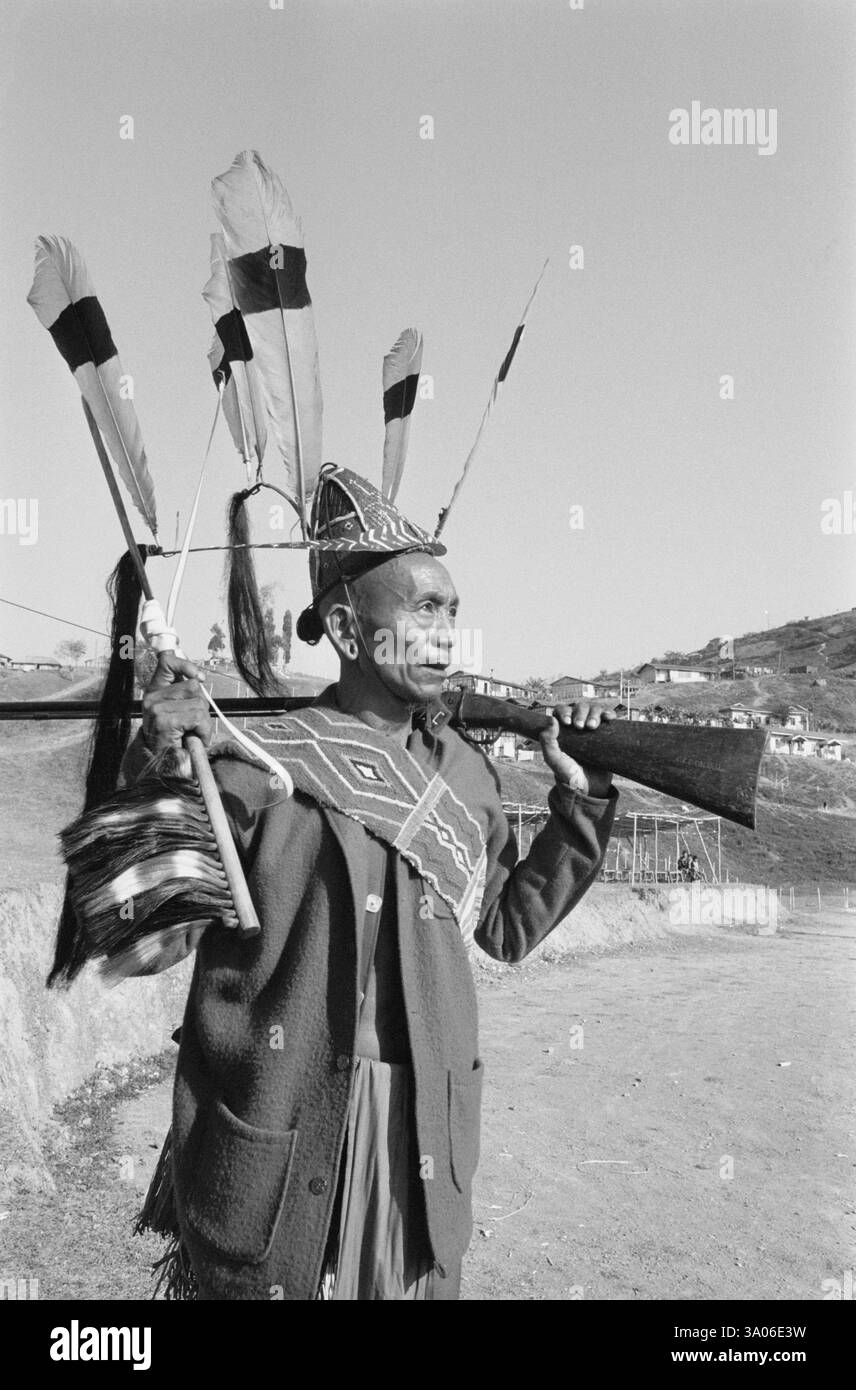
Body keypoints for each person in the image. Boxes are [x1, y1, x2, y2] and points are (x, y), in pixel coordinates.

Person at [123, 463, 618, 1300]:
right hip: (283, 1114)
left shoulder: (464, 779)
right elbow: (144, 934)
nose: (445, 632)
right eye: (424, 609)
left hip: (418, 1128)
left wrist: (583, 798)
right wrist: (160, 763)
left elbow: (506, 927)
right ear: (350, 629)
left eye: (452, 610)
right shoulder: (253, 765)